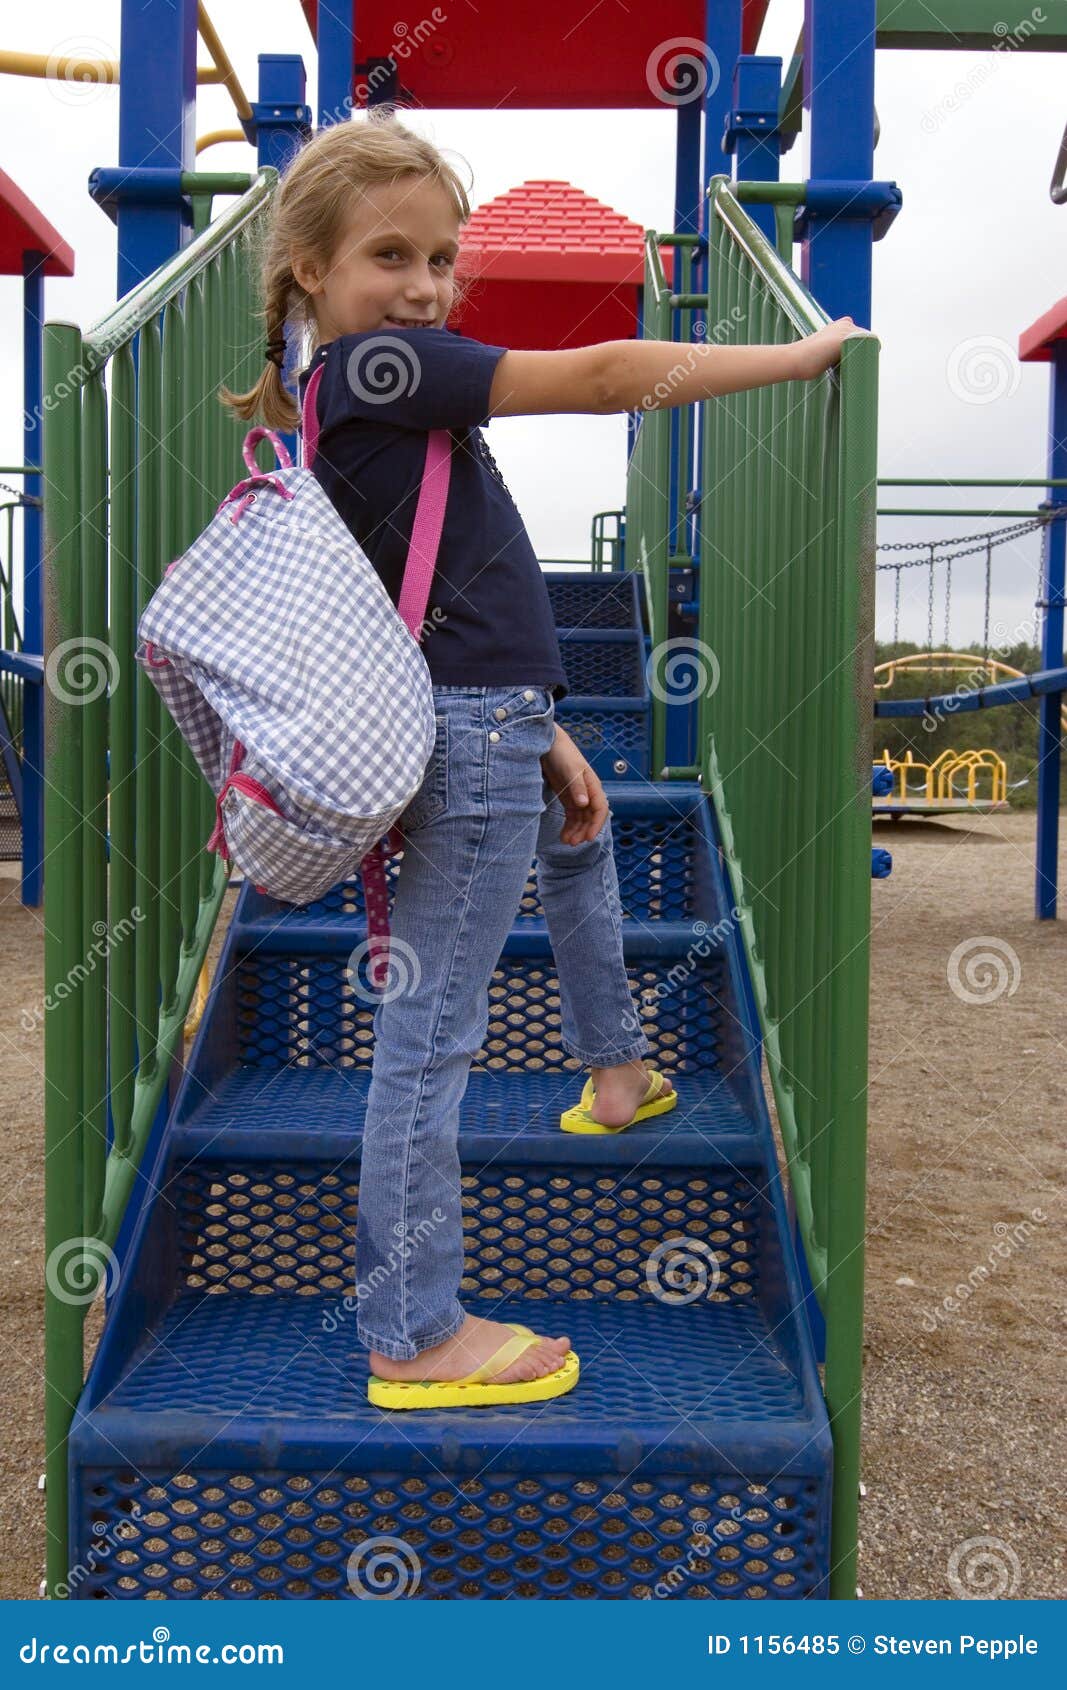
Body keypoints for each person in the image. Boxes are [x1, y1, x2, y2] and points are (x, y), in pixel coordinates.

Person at [220, 113, 861, 1409]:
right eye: (388, 254)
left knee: (583, 834)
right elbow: (612, 374)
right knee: (433, 1032)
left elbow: (422, 585)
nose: (421, 285)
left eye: (442, 259)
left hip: (488, 710)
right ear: (307, 269)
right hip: (470, 725)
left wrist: (544, 717)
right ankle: (411, 1327)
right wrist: (798, 356)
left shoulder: (355, 385)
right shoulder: (390, 367)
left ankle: (615, 1068)